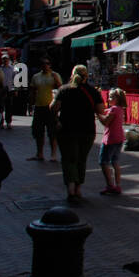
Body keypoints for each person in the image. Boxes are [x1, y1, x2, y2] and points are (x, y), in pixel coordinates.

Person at [51, 65, 103, 202]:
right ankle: (78, 188)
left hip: (67, 130)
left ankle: (71, 188)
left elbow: (53, 107)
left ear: (72, 75)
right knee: (81, 159)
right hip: (87, 130)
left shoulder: (64, 90)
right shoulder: (93, 92)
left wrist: (57, 119)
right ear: (86, 76)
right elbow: (100, 110)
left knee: (69, 159)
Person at [28, 56, 63, 163]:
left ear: (50, 65)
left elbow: (61, 88)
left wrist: (56, 79)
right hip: (39, 106)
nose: (45, 65)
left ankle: (53, 155)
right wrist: (30, 104)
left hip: (51, 108)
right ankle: (40, 153)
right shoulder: (36, 77)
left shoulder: (55, 75)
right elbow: (33, 91)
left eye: (47, 63)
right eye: (43, 63)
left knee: (52, 132)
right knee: (38, 131)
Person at [97, 88, 128, 195]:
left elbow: (106, 122)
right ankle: (118, 185)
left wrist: (98, 115)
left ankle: (110, 185)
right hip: (119, 138)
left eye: (111, 97)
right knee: (115, 161)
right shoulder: (119, 109)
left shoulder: (113, 110)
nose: (108, 99)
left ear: (117, 99)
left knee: (103, 161)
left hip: (110, 139)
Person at [0, 54, 17, 129]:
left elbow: (15, 80)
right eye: (3, 59)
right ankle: (1, 123)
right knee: (0, 107)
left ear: (8, 60)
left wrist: (15, 89)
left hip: (9, 90)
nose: (5, 60)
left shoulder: (12, 69)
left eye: (6, 59)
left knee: (9, 107)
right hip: (1, 90)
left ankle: (8, 122)